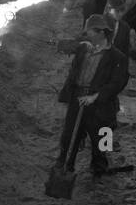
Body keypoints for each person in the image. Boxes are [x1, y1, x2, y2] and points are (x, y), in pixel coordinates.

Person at [56, 14, 130, 178]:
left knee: (102, 138)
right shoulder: (83, 49)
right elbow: (67, 48)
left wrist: (95, 96)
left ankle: (99, 168)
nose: (86, 34)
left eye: (89, 31)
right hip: (78, 98)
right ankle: (65, 164)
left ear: (101, 33)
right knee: (69, 135)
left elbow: (117, 83)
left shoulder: (117, 58)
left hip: (101, 104)